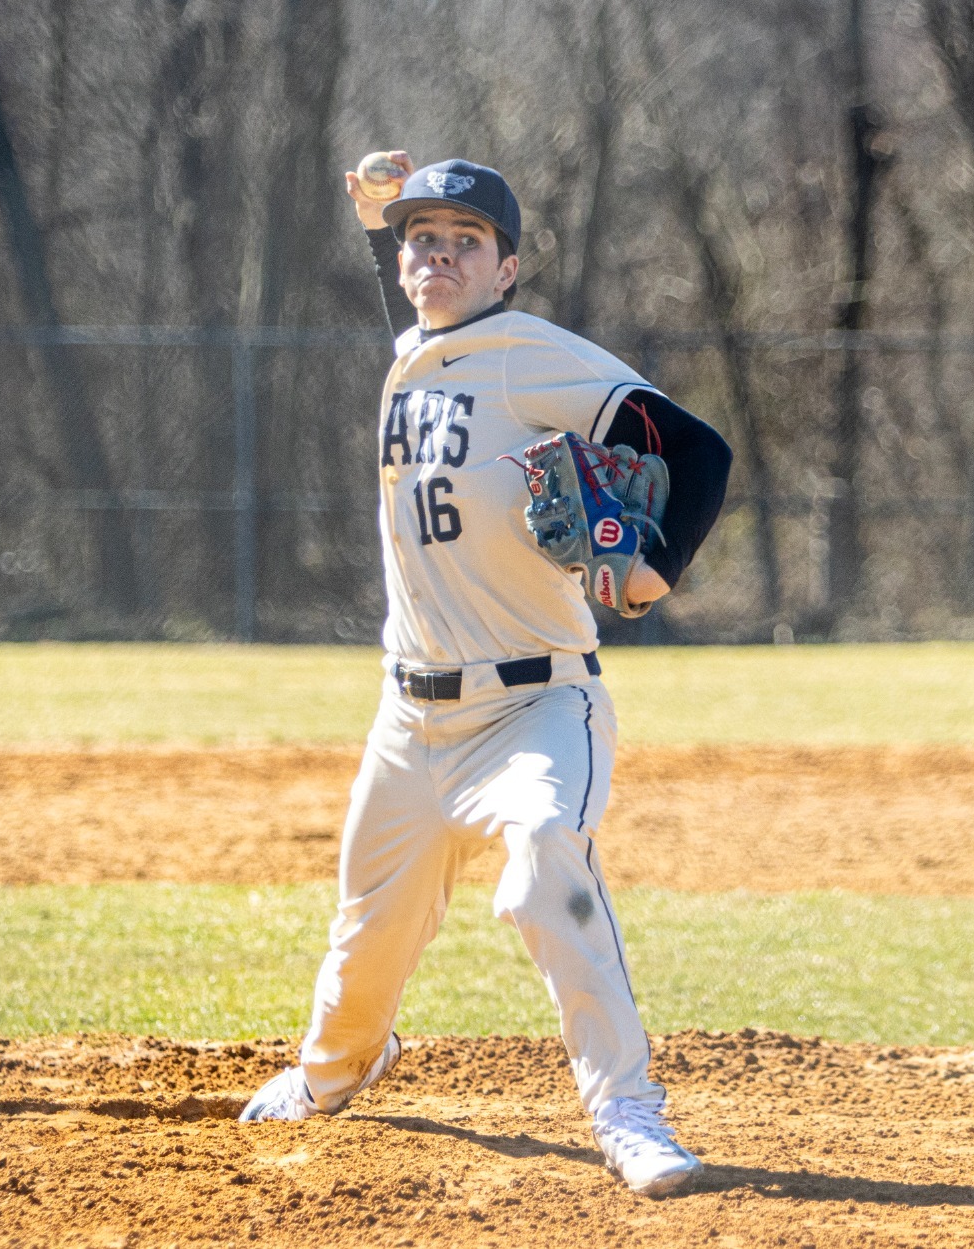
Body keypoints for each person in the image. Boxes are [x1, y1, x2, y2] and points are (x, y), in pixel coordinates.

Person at [237, 152, 732, 1198]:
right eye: (424, 241)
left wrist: (653, 569)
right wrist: (383, 214)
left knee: (547, 866)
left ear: (506, 269)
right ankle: (339, 1068)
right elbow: (418, 311)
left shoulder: (524, 355)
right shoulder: (414, 349)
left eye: (465, 242)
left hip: (535, 705)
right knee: (364, 940)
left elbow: (695, 447)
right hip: (406, 720)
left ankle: (627, 1110)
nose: (436, 257)